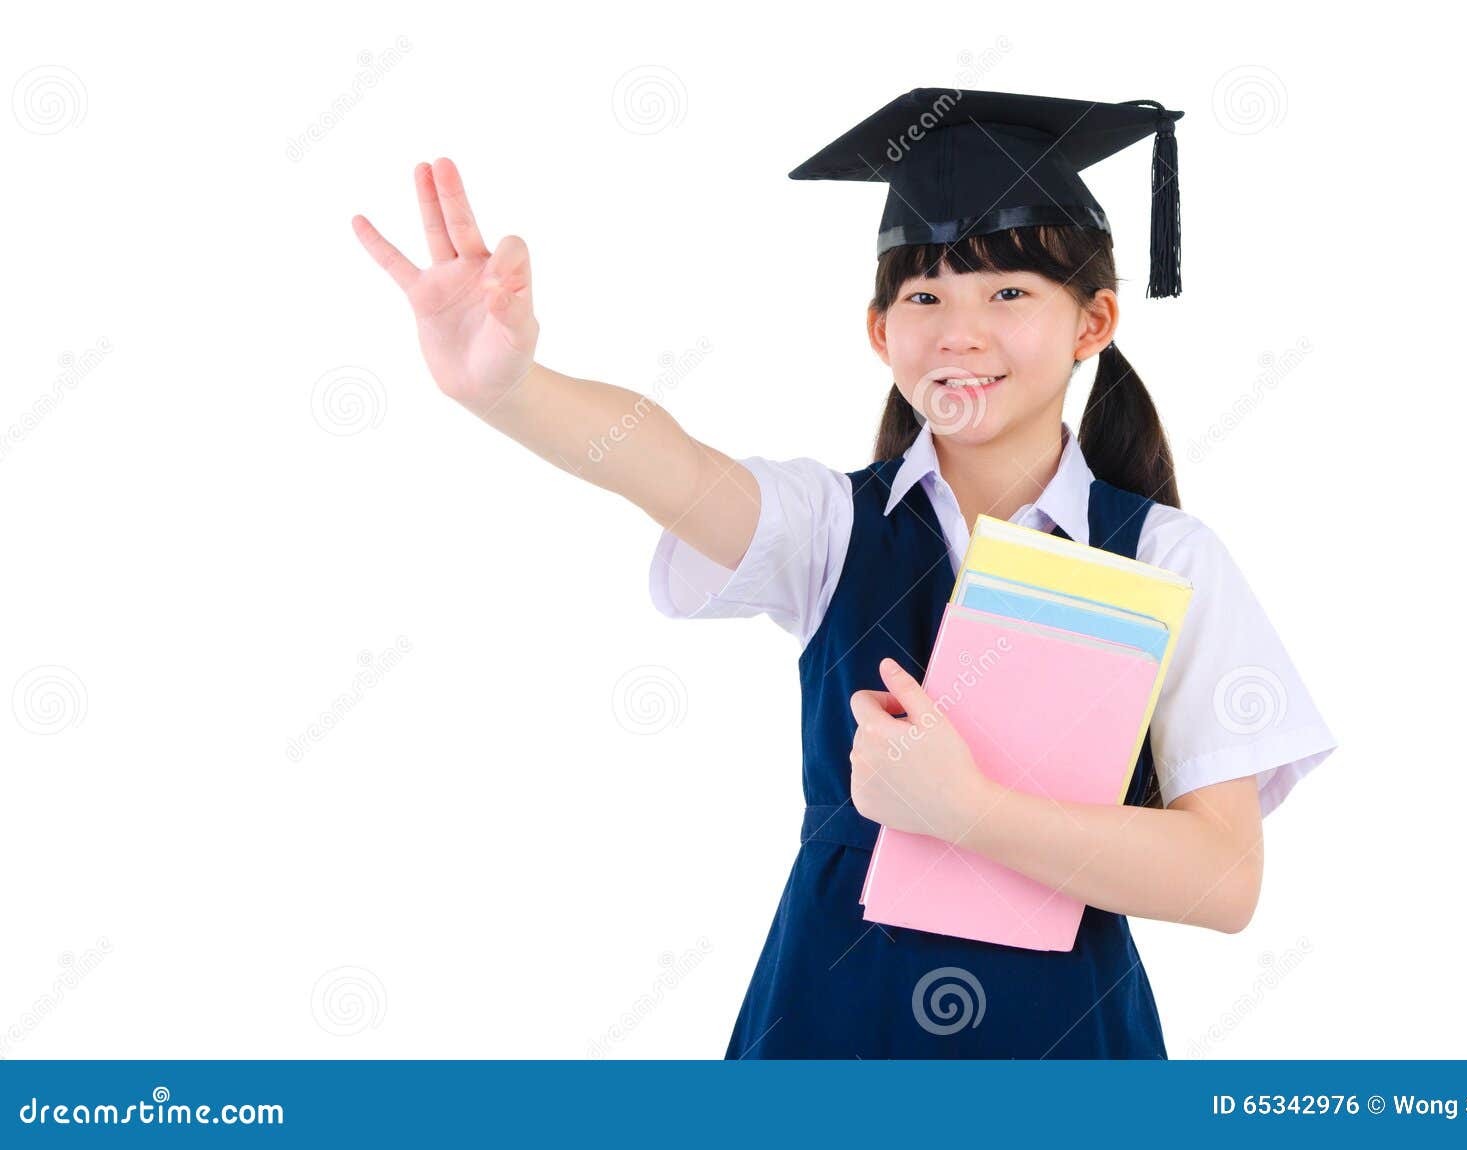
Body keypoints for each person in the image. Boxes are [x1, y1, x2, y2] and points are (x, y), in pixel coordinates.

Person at [352, 88, 1338, 1059]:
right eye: (924, 295)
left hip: (1063, 1040)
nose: (960, 331)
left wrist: (970, 813)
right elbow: (676, 465)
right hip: (829, 1027)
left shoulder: (1165, 557)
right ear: (879, 333)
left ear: (1092, 322)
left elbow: (1221, 877)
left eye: (1008, 292)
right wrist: (512, 389)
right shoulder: (828, 528)